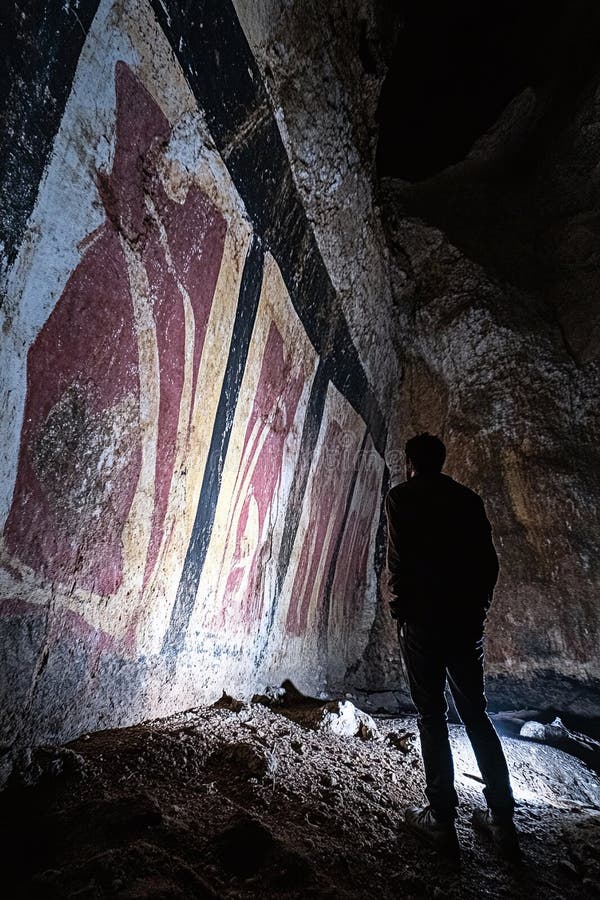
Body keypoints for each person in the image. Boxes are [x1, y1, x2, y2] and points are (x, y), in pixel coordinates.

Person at [385, 432, 518, 857]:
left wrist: (401, 610)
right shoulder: (468, 500)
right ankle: (502, 817)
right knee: (476, 714)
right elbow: (489, 565)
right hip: (463, 624)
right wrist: (477, 610)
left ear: (410, 462)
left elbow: (399, 560)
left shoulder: (401, 497)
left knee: (430, 714)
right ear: (441, 462)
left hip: (423, 621)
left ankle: (441, 818)